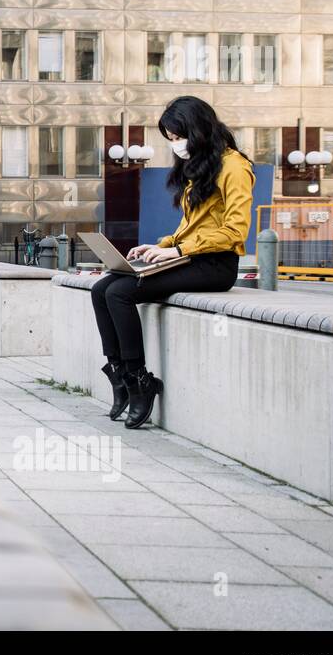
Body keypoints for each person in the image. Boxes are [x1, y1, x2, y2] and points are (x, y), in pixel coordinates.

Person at [90, 96, 254, 429]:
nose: (176, 146)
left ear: (200, 129)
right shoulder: (204, 165)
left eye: (179, 137)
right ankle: (119, 375)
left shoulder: (234, 167)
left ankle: (140, 380)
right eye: (171, 140)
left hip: (216, 265)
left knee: (120, 292)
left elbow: (235, 231)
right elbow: (193, 226)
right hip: (192, 256)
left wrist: (177, 253)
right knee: (101, 288)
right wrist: (162, 246)